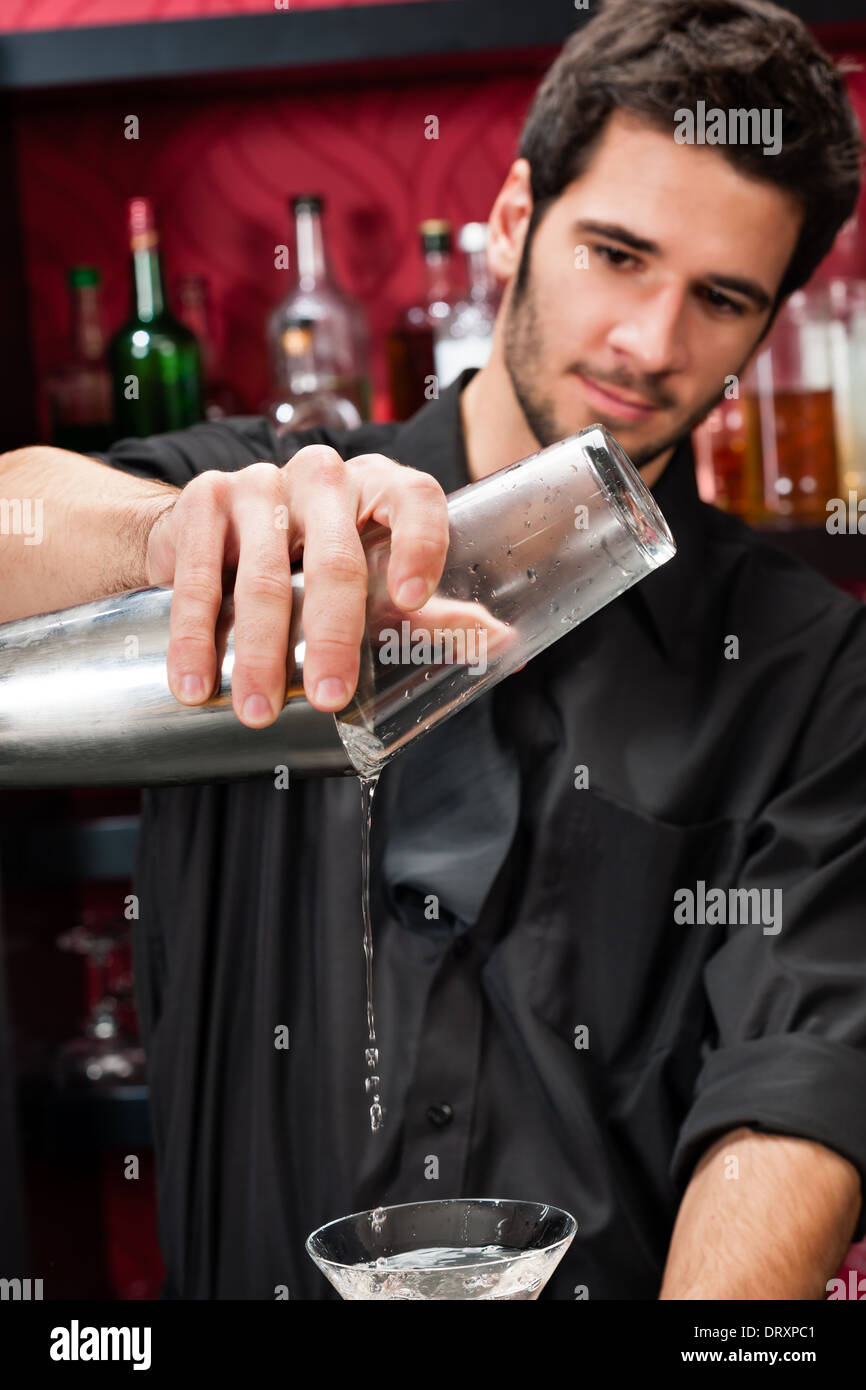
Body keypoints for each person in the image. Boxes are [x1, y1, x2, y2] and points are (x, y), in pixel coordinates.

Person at [2, 0, 865, 1300]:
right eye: (616, 253)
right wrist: (166, 534)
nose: (649, 340)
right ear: (515, 221)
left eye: (720, 297)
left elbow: (793, 1083)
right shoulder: (268, 498)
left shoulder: (809, 664)